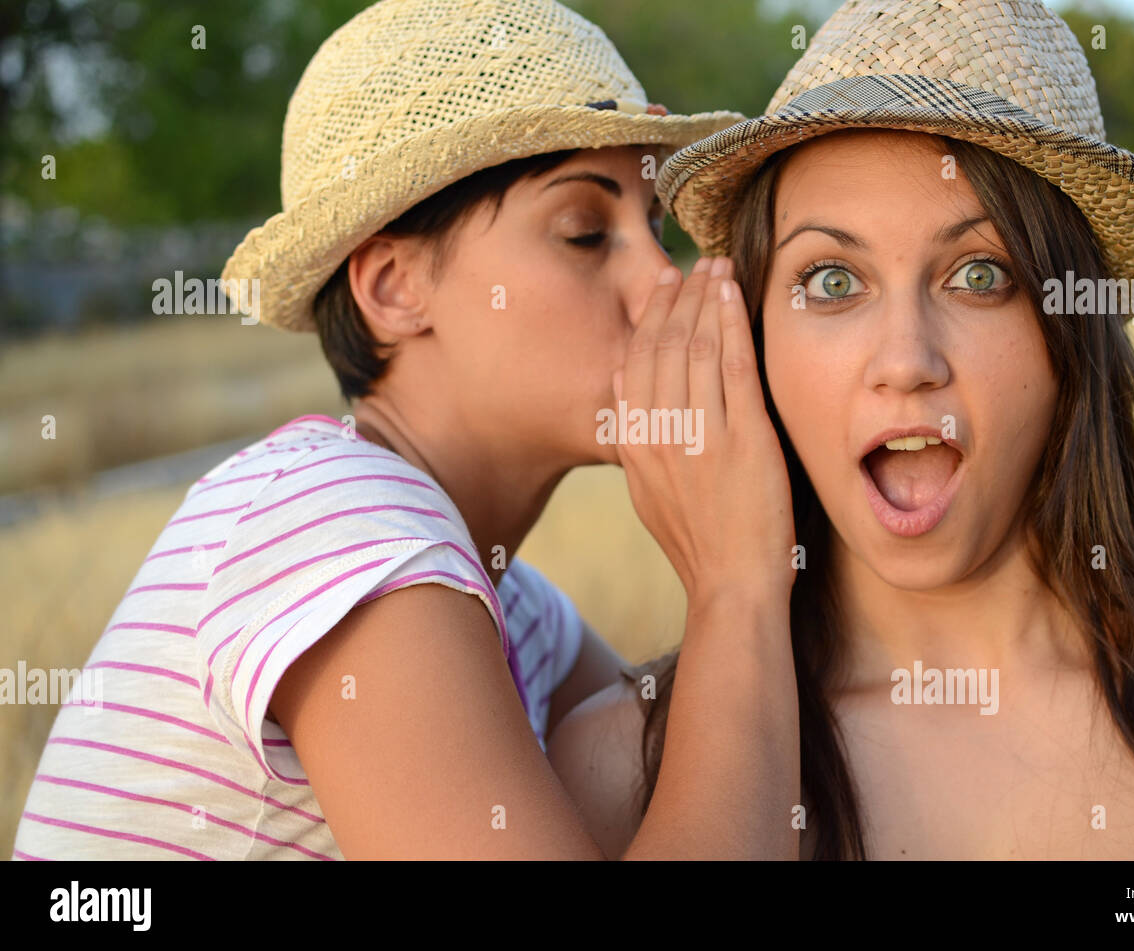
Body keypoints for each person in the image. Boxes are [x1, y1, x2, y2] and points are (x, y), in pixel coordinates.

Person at [12, 0, 801, 860]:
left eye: (653, 227)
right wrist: (736, 583)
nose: (660, 280)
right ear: (392, 287)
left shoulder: (522, 612)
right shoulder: (334, 522)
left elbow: (727, 758)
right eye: (585, 232)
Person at [548, 0, 1134, 860]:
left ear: (1073, 333)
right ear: (748, 340)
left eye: (980, 274)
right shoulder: (612, 773)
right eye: (832, 281)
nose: (906, 360)